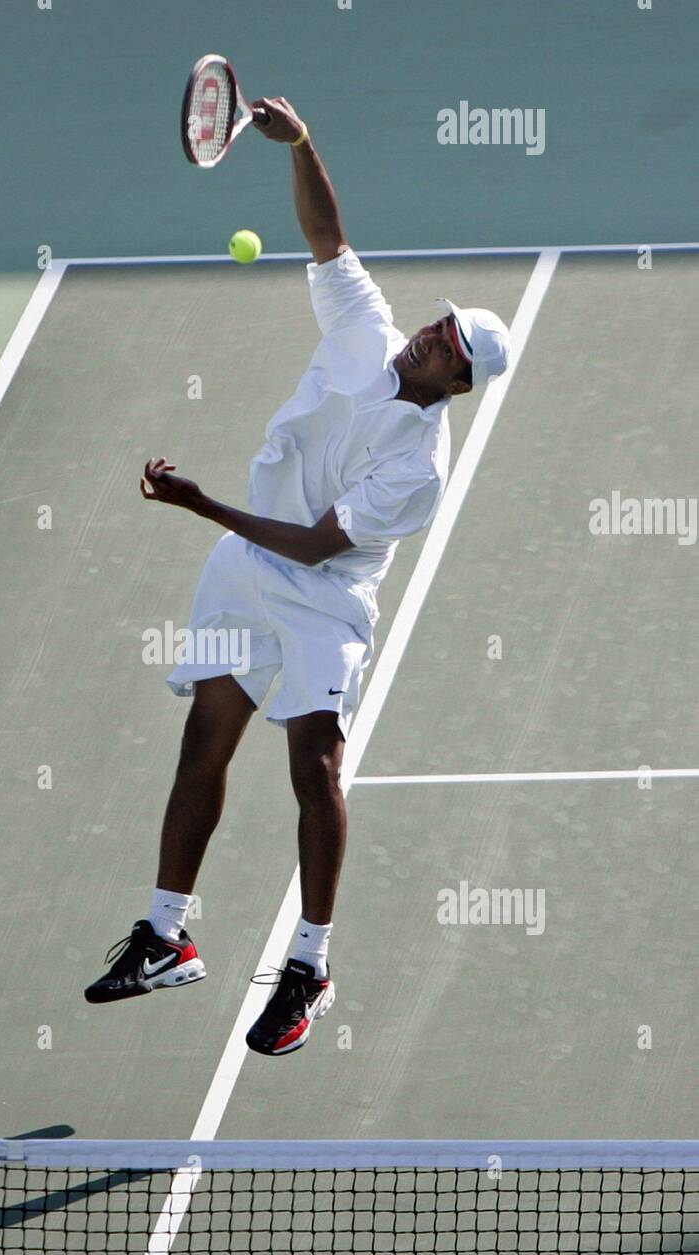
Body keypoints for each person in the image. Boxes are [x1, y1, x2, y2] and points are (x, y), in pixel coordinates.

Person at [85, 97, 512, 1057]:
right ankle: (165, 935)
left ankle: (311, 963)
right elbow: (329, 238)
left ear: (459, 385)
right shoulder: (368, 331)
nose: (431, 337)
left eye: (448, 347)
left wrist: (199, 506)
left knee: (314, 768)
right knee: (204, 744)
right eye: (439, 324)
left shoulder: (419, 472)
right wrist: (306, 144)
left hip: (322, 596)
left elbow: (319, 547)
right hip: (246, 568)